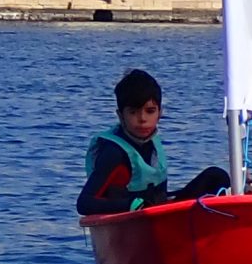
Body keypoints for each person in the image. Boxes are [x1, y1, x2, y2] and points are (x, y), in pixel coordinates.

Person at [76, 68, 236, 215]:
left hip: (159, 214)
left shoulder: (151, 142)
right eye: (133, 112)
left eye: (150, 111)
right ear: (120, 115)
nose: (143, 119)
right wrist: (129, 205)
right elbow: (84, 204)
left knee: (216, 176)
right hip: (132, 222)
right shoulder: (113, 153)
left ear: (160, 112)